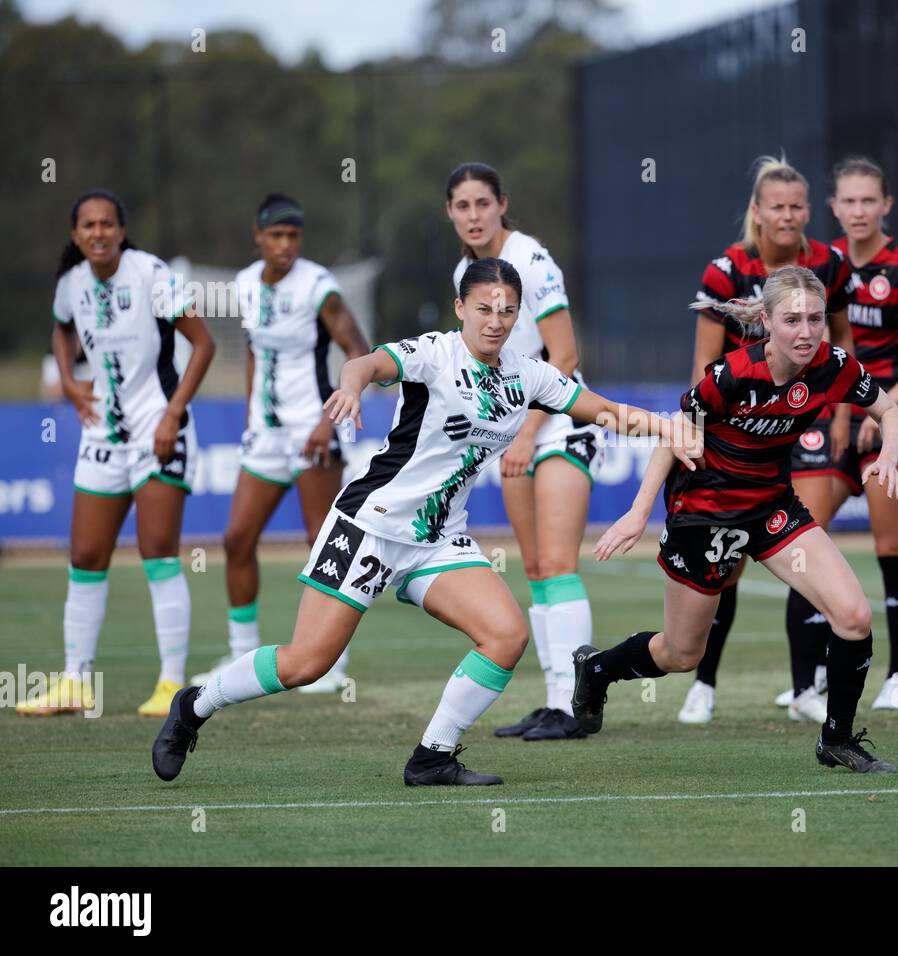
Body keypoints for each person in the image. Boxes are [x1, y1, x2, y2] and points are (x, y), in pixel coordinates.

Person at [152, 258, 696, 786]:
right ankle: (195, 704)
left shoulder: (529, 375)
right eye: (484, 307)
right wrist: (350, 385)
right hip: (370, 525)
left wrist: (670, 427)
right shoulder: (435, 353)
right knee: (307, 664)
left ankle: (431, 758)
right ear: (460, 307)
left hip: (436, 541)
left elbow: (604, 411)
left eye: (508, 311)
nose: (495, 320)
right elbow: (366, 363)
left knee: (505, 636)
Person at [573, 265, 898, 773]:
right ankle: (597, 669)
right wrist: (637, 513)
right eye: (792, 319)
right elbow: (677, 434)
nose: (806, 330)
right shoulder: (731, 374)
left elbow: (891, 412)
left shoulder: (833, 364)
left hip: (773, 511)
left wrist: (887, 456)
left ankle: (836, 738)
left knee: (854, 617)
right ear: (767, 321)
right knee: (682, 654)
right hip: (703, 516)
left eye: (816, 319)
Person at [18, 188, 215, 717]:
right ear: (75, 235)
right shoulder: (71, 284)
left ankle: (172, 684)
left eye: (108, 224)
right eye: (88, 226)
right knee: (84, 556)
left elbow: (205, 343)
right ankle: (74, 683)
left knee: (157, 553)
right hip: (104, 435)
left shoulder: (151, 274)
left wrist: (173, 414)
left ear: (121, 231)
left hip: (159, 432)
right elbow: (61, 331)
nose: (98, 233)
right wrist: (67, 378)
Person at [680, 155, 851, 725]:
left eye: (797, 205)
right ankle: (702, 680)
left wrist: (847, 417)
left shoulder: (830, 264)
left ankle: (806, 688)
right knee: (727, 564)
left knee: (806, 543)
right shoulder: (725, 271)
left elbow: (842, 343)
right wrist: (699, 434)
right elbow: (704, 364)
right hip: (736, 429)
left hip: (806, 420)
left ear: (809, 208)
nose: (788, 215)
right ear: (756, 212)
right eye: (776, 206)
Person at [444, 162, 603, 740]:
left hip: (558, 420)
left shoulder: (531, 260)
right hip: (518, 429)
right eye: (462, 206)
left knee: (559, 564)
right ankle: (556, 699)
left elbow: (563, 355)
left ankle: (578, 706)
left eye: (482, 204)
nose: (473, 215)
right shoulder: (468, 270)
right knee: (536, 567)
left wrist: (531, 431)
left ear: (501, 205)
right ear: (450, 213)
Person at [190, 194, 370, 694]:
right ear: (258, 236)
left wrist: (327, 420)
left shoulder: (320, 288)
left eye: (293, 236)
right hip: (265, 435)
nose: (285, 245)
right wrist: (251, 412)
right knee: (236, 539)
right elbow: (252, 350)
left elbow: (357, 350)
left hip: (314, 431)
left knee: (324, 541)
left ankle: (333, 663)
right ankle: (239, 652)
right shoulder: (245, 285)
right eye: (276, 236)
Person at [786, 157, 898, 710]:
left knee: (891, 546)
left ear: (886, 206)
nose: (858, 211)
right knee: (803, 541)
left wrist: (884, 412)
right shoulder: (821, 264)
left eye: (868, 201)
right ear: (833, 207)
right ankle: (807, 682)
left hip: (892, 419)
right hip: (831, 422)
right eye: (848, 201)